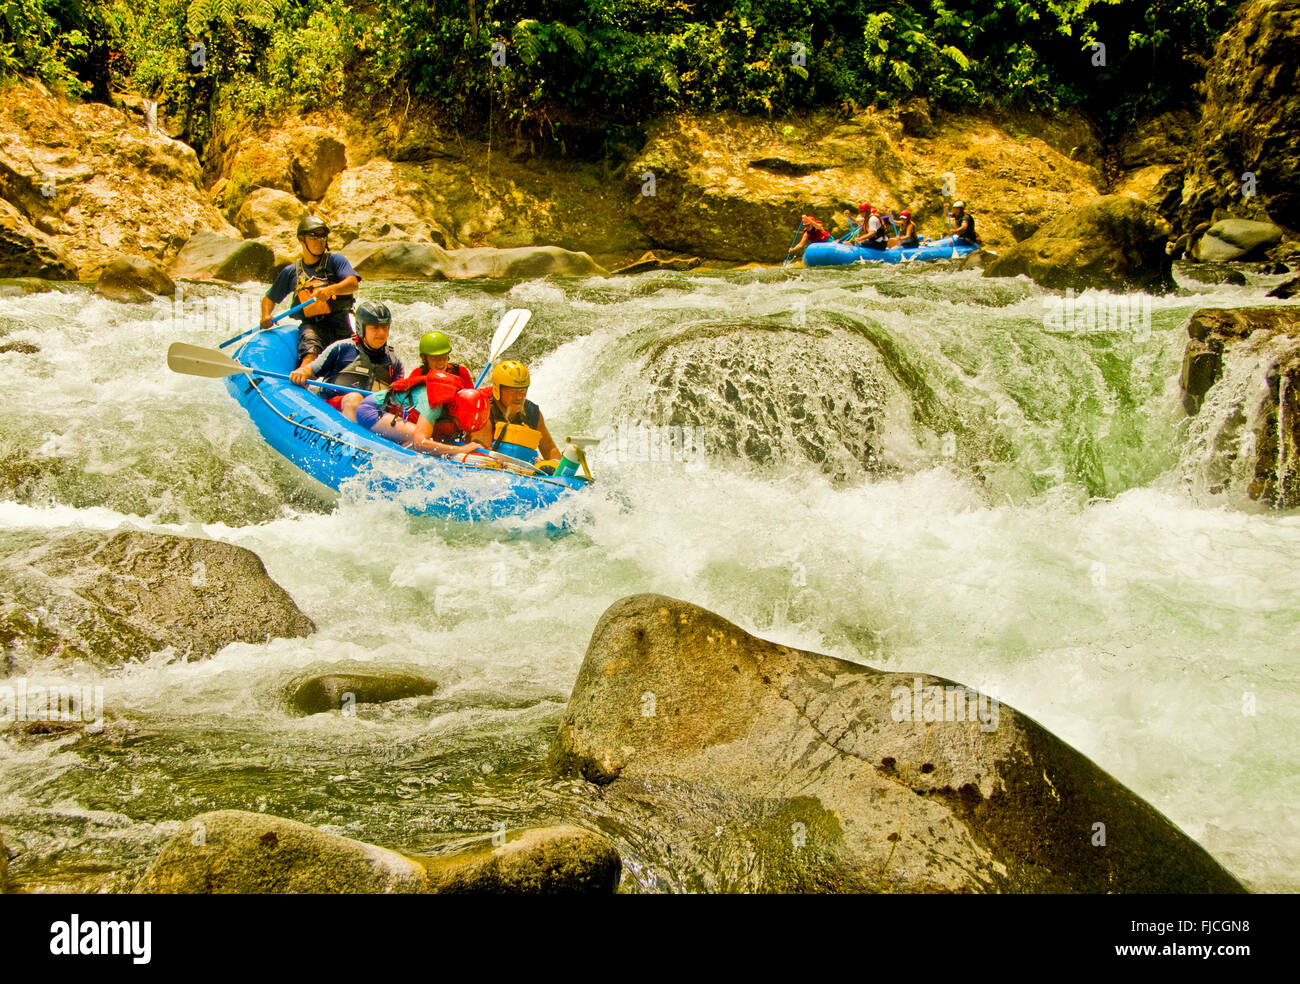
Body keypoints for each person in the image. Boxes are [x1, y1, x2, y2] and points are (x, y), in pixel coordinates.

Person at [261, 215, 360, 373]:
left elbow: (352, 283)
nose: (319, 240)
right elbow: (269, 298)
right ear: (302, 239)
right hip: (312, 326)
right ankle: (301, 382)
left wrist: (331, 290)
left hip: (340, 323)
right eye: (314, 235)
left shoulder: (336, 261)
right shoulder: (291, 272)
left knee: (355, 365)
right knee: (310, 354)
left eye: (322, 236)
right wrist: (266, 315)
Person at [289, 299, 402, 422]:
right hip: (334, 410)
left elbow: (398, 400)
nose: (381, 333)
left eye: (385, 327)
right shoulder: (342, 348)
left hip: (370, 416)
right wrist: (302, 373)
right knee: (354, 399)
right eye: (375, 327)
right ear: (361, 327)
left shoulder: (393, 361)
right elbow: (310, 371)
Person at [470, 360, 562, 466]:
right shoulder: (484, 410)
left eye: (523, 390)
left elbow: (550, 448)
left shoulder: (532, 412)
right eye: (512, 391)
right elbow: (483, 452)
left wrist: (555, 467)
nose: (519, 397)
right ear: (497, 389)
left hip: (521, 469)